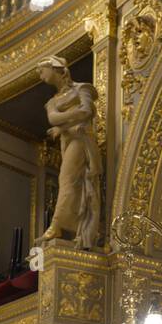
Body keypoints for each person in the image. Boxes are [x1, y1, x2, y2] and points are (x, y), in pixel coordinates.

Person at [39, 57, 102, 249]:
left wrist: (63, 125)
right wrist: (71, 120)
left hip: (81, 139)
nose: (39, 76)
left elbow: (88, 112)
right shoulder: (51, 102)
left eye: (41, 70)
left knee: (67, 179)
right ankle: (77, 228)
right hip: (68, 141)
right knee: (70, 182)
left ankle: (56, 226)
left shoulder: (82, 88)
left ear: (54, 68)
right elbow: (53, 118)